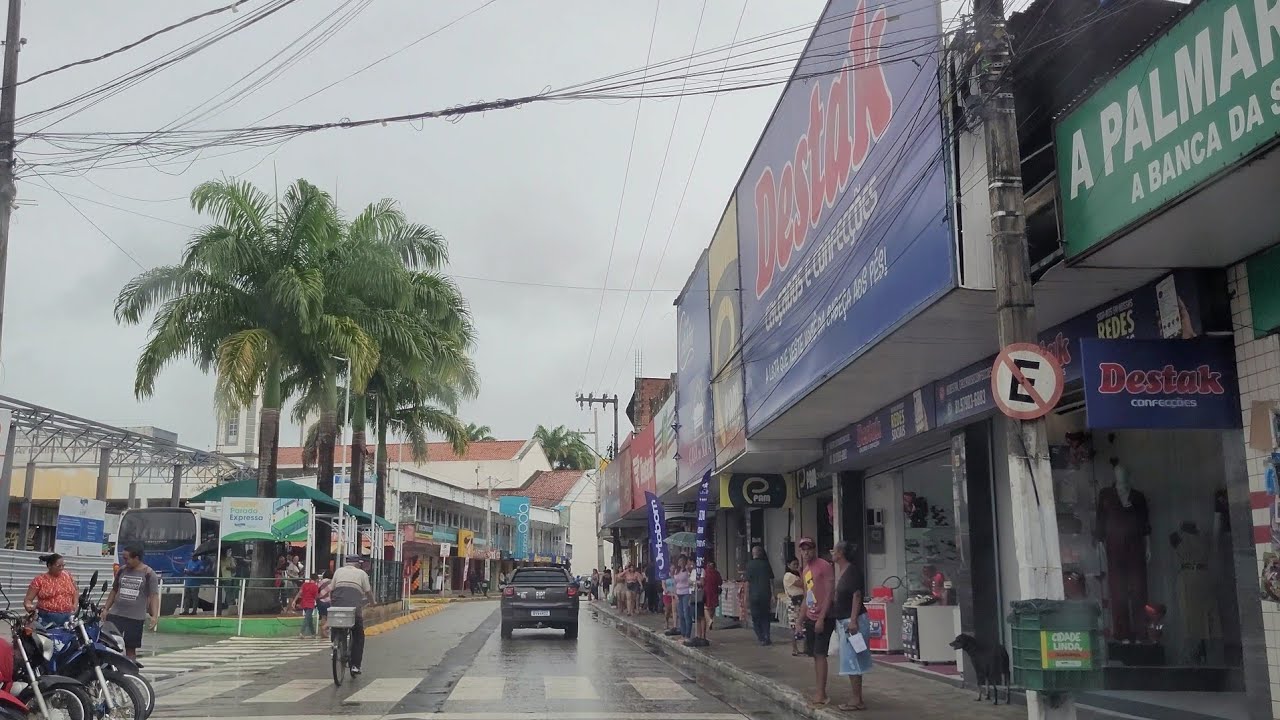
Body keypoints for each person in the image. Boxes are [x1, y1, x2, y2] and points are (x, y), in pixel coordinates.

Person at [831, 540, 871, 712]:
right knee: (851, 660)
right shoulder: (843, 571)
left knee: (852, 660)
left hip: (852, 621)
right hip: (844, 620)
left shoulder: (852, 571)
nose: (831, 553)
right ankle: (857, 697)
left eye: (834, 550)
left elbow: (857, 595)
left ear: (840, 553)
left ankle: (856, 699)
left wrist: (853, 620)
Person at [102, 546, 160, 659]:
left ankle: (129, 671)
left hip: (135, 618)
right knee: (111, 644)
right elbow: (114, 591)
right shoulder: (122, 570)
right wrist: (106, 609)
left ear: (136, 558)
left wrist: (154, 615)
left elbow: (154, 596)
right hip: (116, 615)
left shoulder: (149, 574)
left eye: (127, 558)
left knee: (130, 648)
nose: (125, 561)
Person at [798, 537, 835, 707]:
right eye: (803, 549)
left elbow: (829, 594)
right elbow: (807, 596)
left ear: (814, 549)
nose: (806, 552)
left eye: (809, 549)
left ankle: (821, 693)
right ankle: (820, 690)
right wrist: (800, 619)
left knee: (820, 654)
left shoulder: (824, 566)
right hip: (811, 616)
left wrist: (822, 618)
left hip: (824, 617)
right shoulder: (805, 570)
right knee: (814, 655)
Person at [330, 556, 376, 675]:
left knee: (335, 624)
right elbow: (368, 591)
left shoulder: (338, 571)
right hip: (354, 610)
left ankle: (334, 644)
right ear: (358, 564)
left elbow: (332, 588)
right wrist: (373, 603)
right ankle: (355, 665)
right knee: (358, 635)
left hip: (337, 607)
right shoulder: (362, 574)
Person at [25, 553, 77, 627]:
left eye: (63, 565)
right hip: (46, 619)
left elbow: (75, 590)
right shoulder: (40, 580)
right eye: (58, 566)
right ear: (49, 566)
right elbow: (28, 600)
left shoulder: (68, 576)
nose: (61, 568)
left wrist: (74, 605)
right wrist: (31, 611)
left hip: (67, 618)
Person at [745, 545, 775, 645]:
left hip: (754, 595)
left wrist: (746, 597)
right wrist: (773, 595)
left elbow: (747, 583)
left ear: (753, 554)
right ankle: (767, 636)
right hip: (765, 594)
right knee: (765, 617)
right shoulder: (766, 564)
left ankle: (761, 637)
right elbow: (771, 581)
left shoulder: (749, 565)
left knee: (755, 617)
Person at [783, 559, 807, 656]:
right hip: (794, 603)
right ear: (788, 565)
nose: (796, 566)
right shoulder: (789, 576)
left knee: (804, 625)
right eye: (794, 564)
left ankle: (804, 648)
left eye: (797, 564)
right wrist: (802, 572)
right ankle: (795, 648)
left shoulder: (795, 575)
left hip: (801, 602)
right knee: (794, 626)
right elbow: (803, 584)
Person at [291, 573, 321, 638]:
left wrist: (294, 601)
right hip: (310, 604)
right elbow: (316, 597)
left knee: (309, 618)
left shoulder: (304, 584)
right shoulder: (315, 586)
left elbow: (300, 593)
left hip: (304, 603)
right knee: (307, 618)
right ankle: (302, 632)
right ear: (316, 580)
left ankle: (313, 633)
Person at [673, 557, 693, 638]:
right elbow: (674, 582)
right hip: (678, 593)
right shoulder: (676, 571)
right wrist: (675, 593)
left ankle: (687, 633)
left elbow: (690, 580)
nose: (680, 562)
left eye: (681, 561)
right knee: (680, 614)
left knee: (686, 613)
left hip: (686, 593)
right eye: (679, 561)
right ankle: (683, 632)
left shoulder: (687, 570)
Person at [702, 560, 723, 632]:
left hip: (706, 591)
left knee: (705, 607)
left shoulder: (705, 572)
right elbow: (720, 582)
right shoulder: (717, 573)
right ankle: (710, 620)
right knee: (712, 607)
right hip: (714, 591)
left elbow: (702, 582)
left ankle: (709, 620)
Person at [317, 571, 333, 636]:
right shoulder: (331, 582)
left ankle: (322, 633)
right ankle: (325, 631)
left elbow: (316, 589)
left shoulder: (321, 581)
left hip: (320, 601)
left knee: (323, 617)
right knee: (329, 617)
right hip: (327, 601)